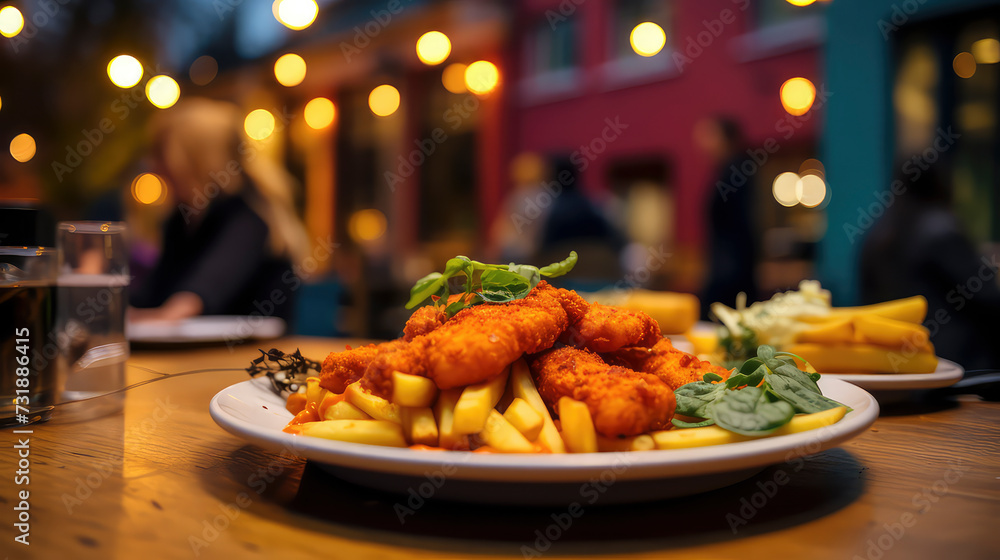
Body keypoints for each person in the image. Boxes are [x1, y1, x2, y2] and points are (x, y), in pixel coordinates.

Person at [129, 98, 309, 324]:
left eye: (161, 154)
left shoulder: (248, 217)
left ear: (194, 161)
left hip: (254, 357)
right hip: (198, 357)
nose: (154, 166)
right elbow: (150, 296)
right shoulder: (181, 222)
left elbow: (200, 295)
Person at [860, 161, 1000, 370]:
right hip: (952, 362)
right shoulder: (941, 229)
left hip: (892, 359)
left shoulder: (879, 233)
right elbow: (986, 297)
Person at [694, 116, 758, 317]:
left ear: (725, 138)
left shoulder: (736, 170)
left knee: (721, 319)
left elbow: (740, 222)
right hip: (727, 263)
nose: (703, 141)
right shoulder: (727, 168)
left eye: (710, 135)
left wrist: (727, 270)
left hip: (730, 268)